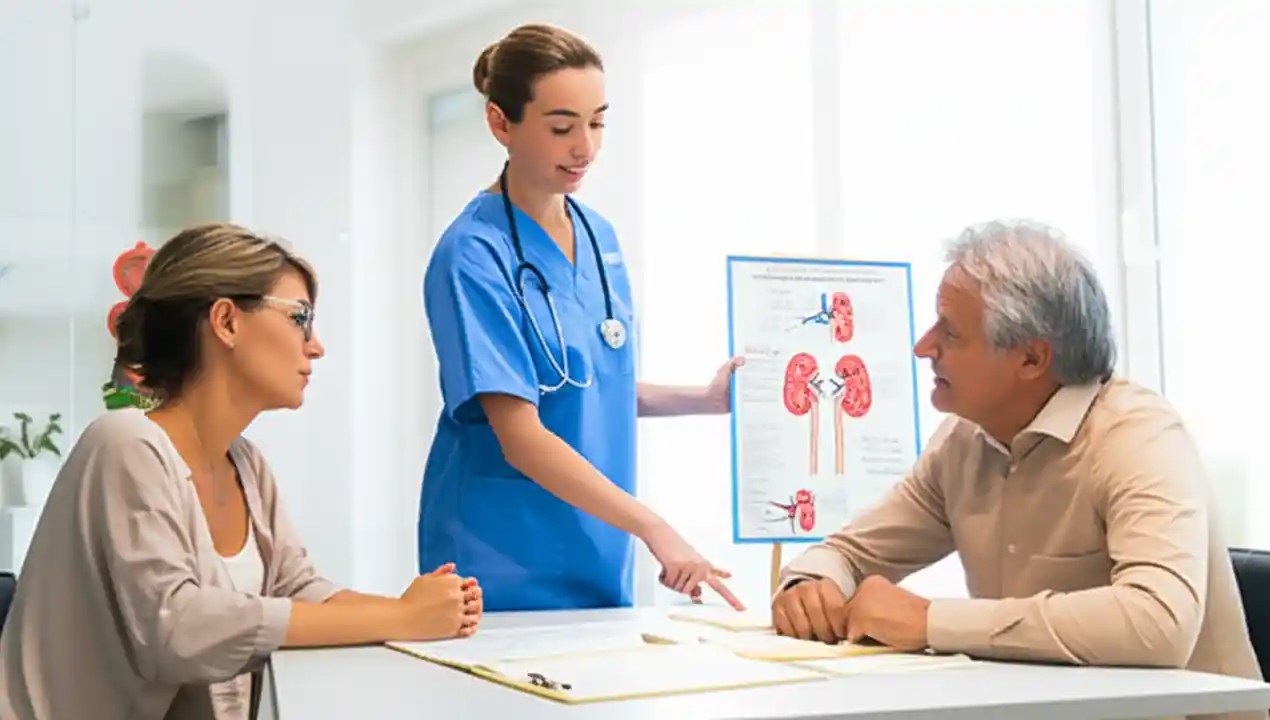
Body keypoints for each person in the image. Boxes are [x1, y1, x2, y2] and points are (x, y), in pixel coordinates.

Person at [0, 224, 483, 720]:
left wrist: (415, 609)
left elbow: (298, 590)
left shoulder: (246, 464)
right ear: (227, 322)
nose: (315, 346)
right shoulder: (125, 444)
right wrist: (403, 618)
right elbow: (177, 628)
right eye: (300, 319)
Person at [772, 220, 1263, 705]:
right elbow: (849, 553)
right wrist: (812, 583)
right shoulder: (967, 440)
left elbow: (1159, 622)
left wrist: (928, 621)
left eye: (951, 332)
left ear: (1031, 359)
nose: (924, 348)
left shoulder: (1140, 436)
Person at [419, 23, 743, 613]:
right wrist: (654, 526)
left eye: (597, 123)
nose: (585, 148)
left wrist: (707, 397)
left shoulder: (599, 237)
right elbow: (519, 434)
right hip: (501, 563)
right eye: (562, 127)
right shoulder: (473, 253)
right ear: (501, 124)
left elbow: (594, 387)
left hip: (596, 559)